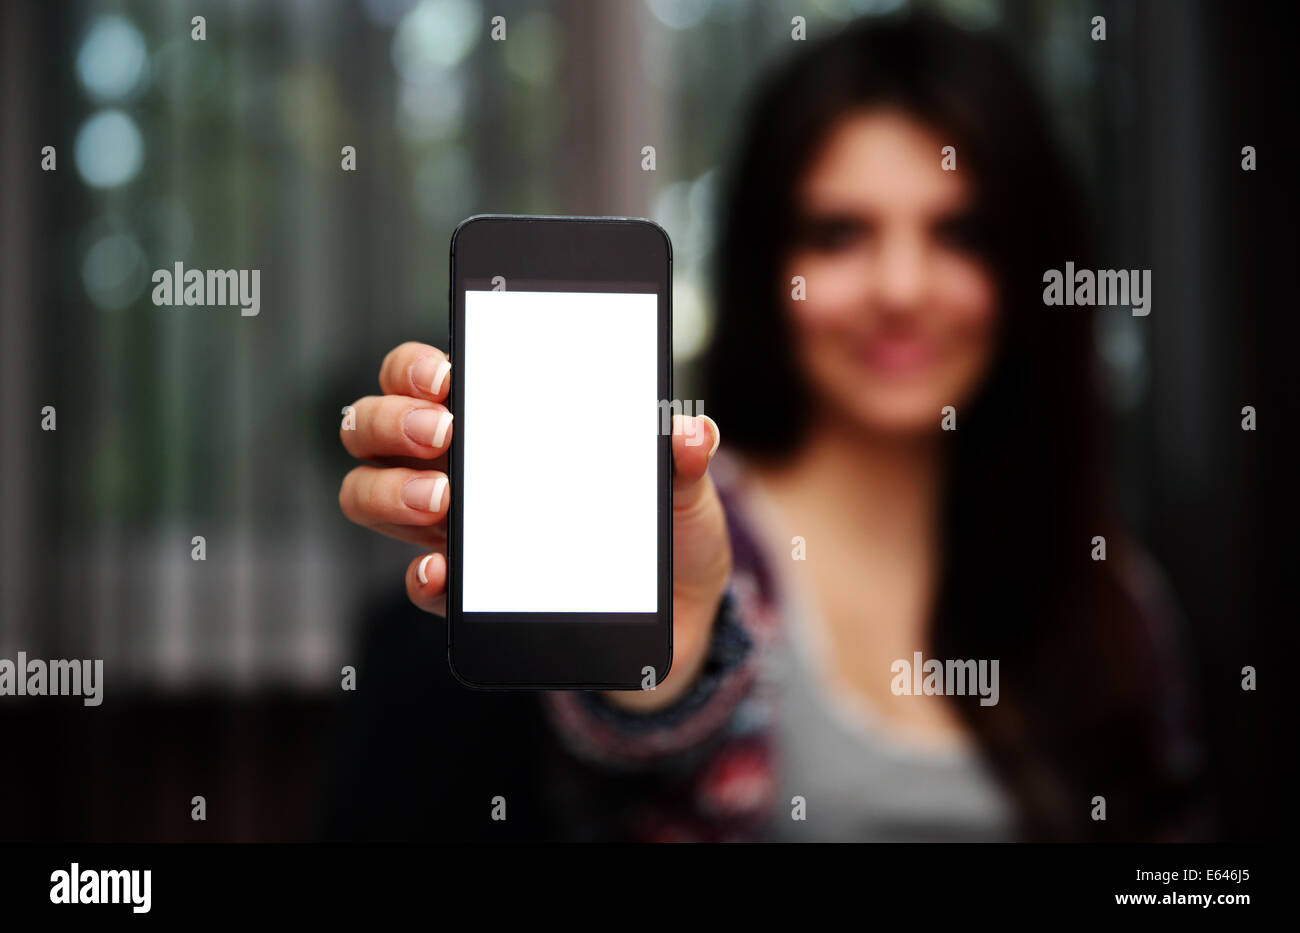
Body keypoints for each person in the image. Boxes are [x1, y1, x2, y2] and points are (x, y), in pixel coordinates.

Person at [338, 13, 1208, 842]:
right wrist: (660, 677)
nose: (900, 287)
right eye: (839, 234)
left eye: (960, 233)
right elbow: (633, 766)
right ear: (767, 264)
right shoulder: (676, 537)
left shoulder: (1119, 601)